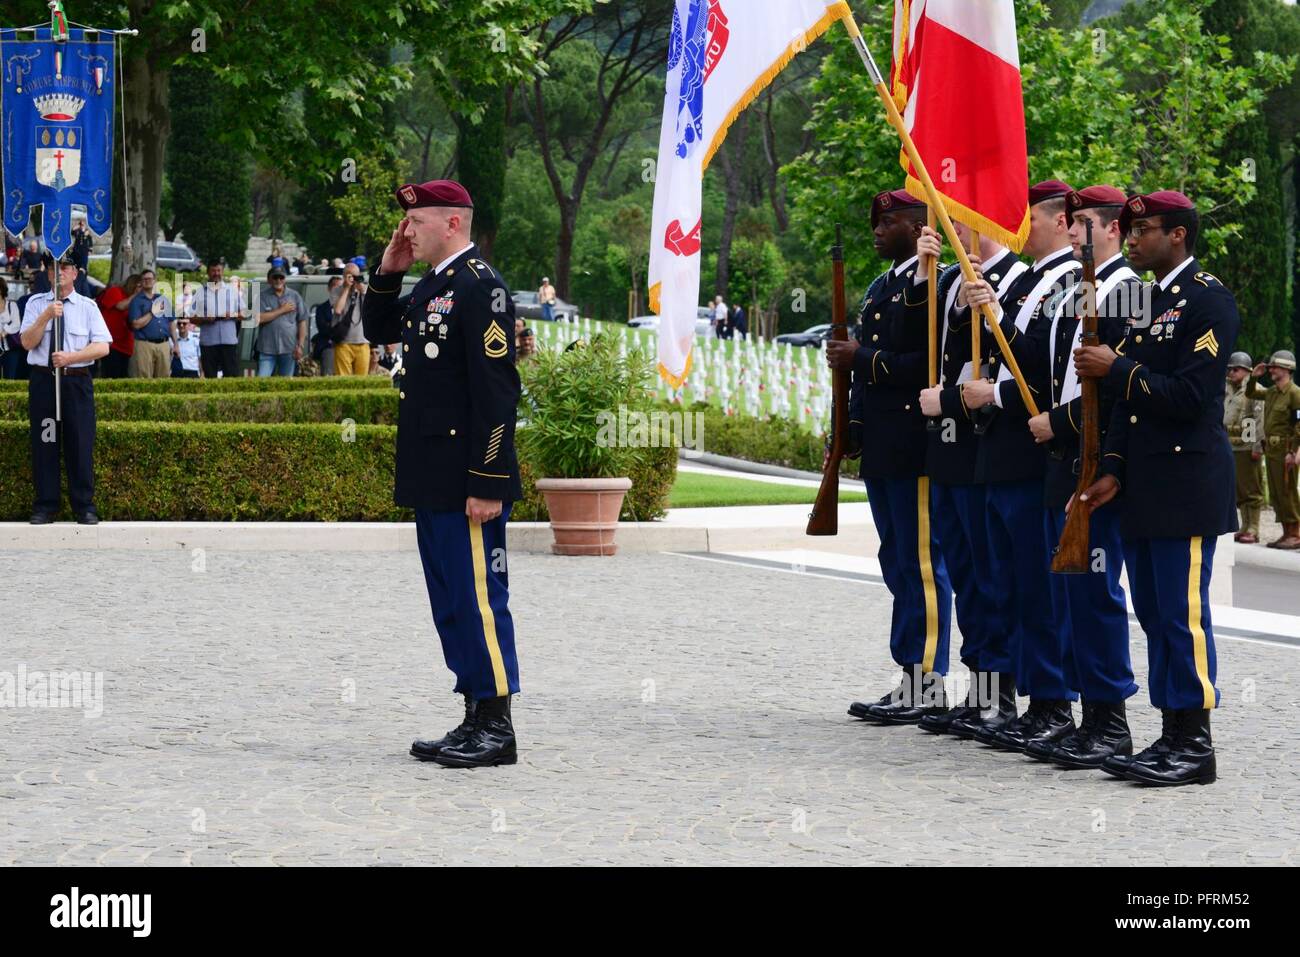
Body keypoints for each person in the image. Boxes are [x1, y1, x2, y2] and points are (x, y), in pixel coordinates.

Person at [1075, 189, 1239, 786]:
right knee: (1152, 612)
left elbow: (1192, 397)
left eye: (1143, 229)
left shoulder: (1208, 301)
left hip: (1186, 481)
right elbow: (1126, 406)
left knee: (1180, 615)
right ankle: (1170, 734)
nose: (1133, 236)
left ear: (1177, 235)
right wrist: (1112, 465)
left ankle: (1195, 744)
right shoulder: (1147, 301)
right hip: (1143, 481)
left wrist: (1116, 367)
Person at [363, 178, 523, 769]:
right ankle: (473, 714)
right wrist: (388, 271)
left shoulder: (482, 287)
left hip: (465, 479)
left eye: (417, 222)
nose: (409, 231)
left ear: (452, 222)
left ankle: (498, 726)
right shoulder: (436, 284)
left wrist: (487, 480)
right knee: (451, 599)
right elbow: (379, 329)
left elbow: (497, 392)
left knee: (481, 599)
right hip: (432, 472)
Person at [987, 185, 1143, 768]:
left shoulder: (1129, 293)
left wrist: (1061, 422)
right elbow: (1037, 364)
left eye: (1083, 225)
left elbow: (1118, 391)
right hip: (1062, 459)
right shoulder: (1078, 293)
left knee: (1096, 594)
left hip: (1095, 459)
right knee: (1067, 594)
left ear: (1110, 231)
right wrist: (994, 309)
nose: (1072, 233)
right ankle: (1080, 716)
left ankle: (1110, 720)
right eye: (1070, 224)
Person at [954, 180, 1083, 752]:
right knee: (1000, 582)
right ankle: (1015, 698)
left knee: (1037, 586)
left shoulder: (1069, 284)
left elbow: (1046, 370)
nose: (1016, 225)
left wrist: (999, 397)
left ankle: (1051, 701)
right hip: (999, 446)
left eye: (1024, 215)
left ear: (1059, 221)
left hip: (1033, 449)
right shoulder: (1034, 282)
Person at [826, 188, 952, 724]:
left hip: (914, 445)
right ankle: (910, 672)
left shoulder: (933, 284)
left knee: (921, 565)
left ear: (916, 224)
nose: (877, 229)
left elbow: (924, 362)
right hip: (882, 443)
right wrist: (849, 425)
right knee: (896, 561)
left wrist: (862, 357)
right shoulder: (885, 284)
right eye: (875, 221)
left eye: (888, 220)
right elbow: (865, 375)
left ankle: (926, 679)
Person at [914, 219, 1018, 735]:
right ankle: (979, 690)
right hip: (947, 451)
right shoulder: (951, 277)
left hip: (983, 446)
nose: (950, 225)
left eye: (957, 217)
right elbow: (927, 342)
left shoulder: (1017, 279)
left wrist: (950, 400)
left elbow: (1012, 368)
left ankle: (1000, 692)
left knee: (991, 575)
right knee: (966, 576)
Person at [20, 250, 111, 524]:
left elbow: (103, 346)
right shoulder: (36, 304)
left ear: (75, 273)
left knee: (79, 442)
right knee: (46, 441)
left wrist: (71, 357)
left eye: (65, 267)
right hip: (45, 383)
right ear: (47, 272)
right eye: (53, 267)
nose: (58, 272)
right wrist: (46, 316)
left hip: (75, 383)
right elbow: (26, 342)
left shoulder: (87, 306)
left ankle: (84, 506)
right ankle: (46, 505)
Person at [1247, 350, 1300, 549]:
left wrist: (1293, 451)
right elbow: (1250, 393)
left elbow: (1299, 424)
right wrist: (1254, 377)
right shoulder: (1272, 392)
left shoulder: (1295, 393)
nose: (1271, 370)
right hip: (1271, 449)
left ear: (1287, 369)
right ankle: (1286, 533)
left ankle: (1295, 534)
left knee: (1287, 491)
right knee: (1277, 493)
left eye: (1274, 367)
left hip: (1285, 449)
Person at [1224, 352, 1265, 544]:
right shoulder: (1225, 389)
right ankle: (1244, 526)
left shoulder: (1255, 390)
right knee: (1237, 489)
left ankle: (1253, 527)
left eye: (1236, 369)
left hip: (1246, 444)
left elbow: (1259, 419)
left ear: (1247, 371)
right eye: (1230, 368)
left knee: (1251, 489)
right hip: (1228, 443)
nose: (1231, 372)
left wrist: (1257, 446)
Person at [189, 261, 244, 379]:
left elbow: (244, 314)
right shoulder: (199, 292)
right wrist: (205, 318)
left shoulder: (232, 290)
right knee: (210, 377)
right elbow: (191, 318)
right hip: (209, 342)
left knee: (231, 377)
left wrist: (233, 315)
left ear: (223, 272)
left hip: (228, 341)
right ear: (208, 272)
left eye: (219, 270)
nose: (216, 273)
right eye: (213, 271)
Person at [254, 267, 307, 377]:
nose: (278, 280)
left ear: (285, 279)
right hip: (266, 349)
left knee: (286, 384)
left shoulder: (295, 296)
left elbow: (302, 321)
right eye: (275, 277)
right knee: (261, 381)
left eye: (281, 277)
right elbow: (258, 319)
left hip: (289, 348)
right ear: (269, 280)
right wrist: (282, 310)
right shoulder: (261, 296)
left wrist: (300, 345)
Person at [127, 269, 175, 378]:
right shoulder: (136, 301)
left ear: (155, 281)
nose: (147, 281)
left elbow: (171, 322)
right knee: (143, 377)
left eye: (149, 279)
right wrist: (153, 312)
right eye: (144, 279)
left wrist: (176, 344)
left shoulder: (163, 299)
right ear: (141, 282)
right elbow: (136, 324)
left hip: (164, 344)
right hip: (144, 344)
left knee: (164, 378)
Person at [95, 273, 139, 379]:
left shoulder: (138, 300)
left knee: (124, 377)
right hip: (111, 343)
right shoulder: (115, 291)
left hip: (126, 344)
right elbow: (120, 306)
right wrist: (136, 295)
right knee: (111, 376)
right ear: (133, 285)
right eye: (139, 286)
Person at [330, 263, 370, 376]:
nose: (353, 279)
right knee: (343, 380)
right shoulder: (337, 290)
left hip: (362, 341)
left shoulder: (364, 289)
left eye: (355, 276)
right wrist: (346, 288)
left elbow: (372, 307)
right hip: (343, 342)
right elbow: (338, 310)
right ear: (344, 277)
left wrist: (362, 290)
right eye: (349, 276)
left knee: (362, 382)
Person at [313, 275, 343, 374]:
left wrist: (331, 325)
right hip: (328, 346)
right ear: (329, 289)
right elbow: (323, 329)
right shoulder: (321, 308)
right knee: (328, 372)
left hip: (347, 345)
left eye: (341, 286)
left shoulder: (350, 306)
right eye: (335, 286)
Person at [0, 277, 26, 379]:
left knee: (10, 377)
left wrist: (3, 333)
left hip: (11, 347)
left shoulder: (12, 305)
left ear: (2, 290)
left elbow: (17, 324)